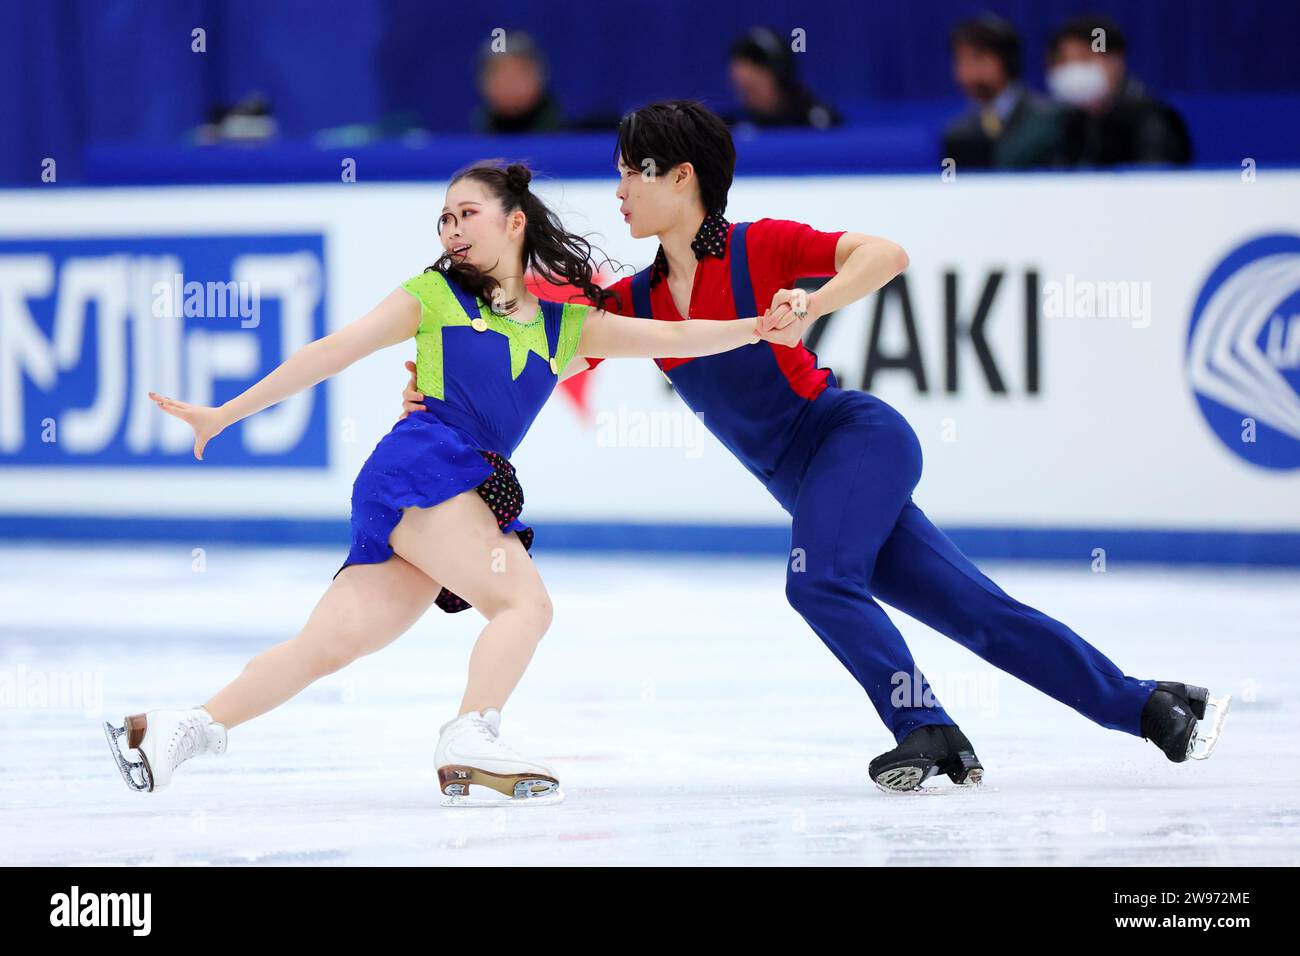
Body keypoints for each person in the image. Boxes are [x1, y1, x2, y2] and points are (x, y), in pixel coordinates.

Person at [405, 101, 1230, 792]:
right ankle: (1154, 706)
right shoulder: (637, 302)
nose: (619, 190)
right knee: (980, 615)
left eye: (633, 172)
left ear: (681, 178)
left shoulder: (761, 246)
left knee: (819, 584)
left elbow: (887, 255)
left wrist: (814, 301)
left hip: (855, 441)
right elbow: (530, 362)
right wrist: (436, 395)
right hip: (812, 484)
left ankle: (929, 730)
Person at [103, 160, 802, 807]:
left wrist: (756, 329)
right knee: (525, 604)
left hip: (425, 489)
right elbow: (331, 350)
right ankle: (471, 732)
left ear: (514, 221)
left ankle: (181, 728)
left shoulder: (566, 329)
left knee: (323, 648)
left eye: (466, 213)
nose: (451, 229)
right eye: (444, 218)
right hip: (423, 470)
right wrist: (224, 413)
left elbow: (671, 339)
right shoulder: (432, 295)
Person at [1046, 15, 1191, 166]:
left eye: (1084, 58)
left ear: (1116, 61)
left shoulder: (1149, 120)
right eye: (1063, 60)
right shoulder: (1068, 123)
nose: (1072, 69)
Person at [942, 14, 1071, 169]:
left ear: (1008, 60)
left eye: (978, 58)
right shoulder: (957, 133)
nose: (967, 71)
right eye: (960, 60)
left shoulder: (1051, 119)